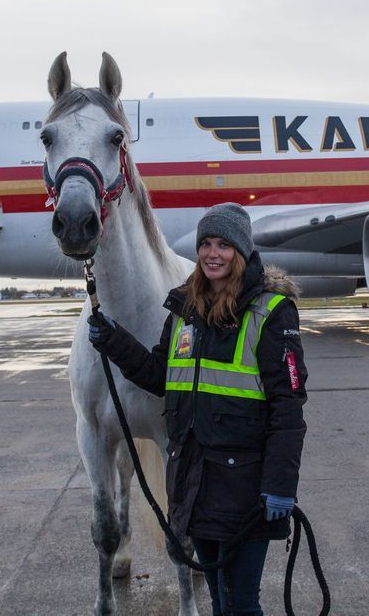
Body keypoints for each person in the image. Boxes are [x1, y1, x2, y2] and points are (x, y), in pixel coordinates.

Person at [88, 202, 308, 616]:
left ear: (241, 251)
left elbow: (288, 411)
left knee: (241, 603)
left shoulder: (273, 314)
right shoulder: (186, 311)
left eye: (224, 244)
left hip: (246, 490)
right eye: (206, 242)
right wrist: (115, 340)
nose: (212, 253)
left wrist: (280, 484)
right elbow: (159, 376)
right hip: (197, 486)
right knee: (220, 598)